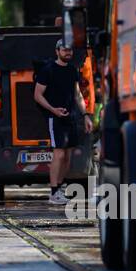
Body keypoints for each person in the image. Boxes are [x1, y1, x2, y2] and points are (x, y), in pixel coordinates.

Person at [33, 38, 92, 205]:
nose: (68, 53)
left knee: (67, 154)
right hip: (54, 117)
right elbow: (37, 95)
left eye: (70, 50)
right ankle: (53, 192)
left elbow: (77, 94)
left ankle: (59, 188)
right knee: (58, 153)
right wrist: (53, 110)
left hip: (71, 117)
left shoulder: (73, 70)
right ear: (57, 51)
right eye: (64, 50)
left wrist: (86, 115)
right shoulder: (48, 70)